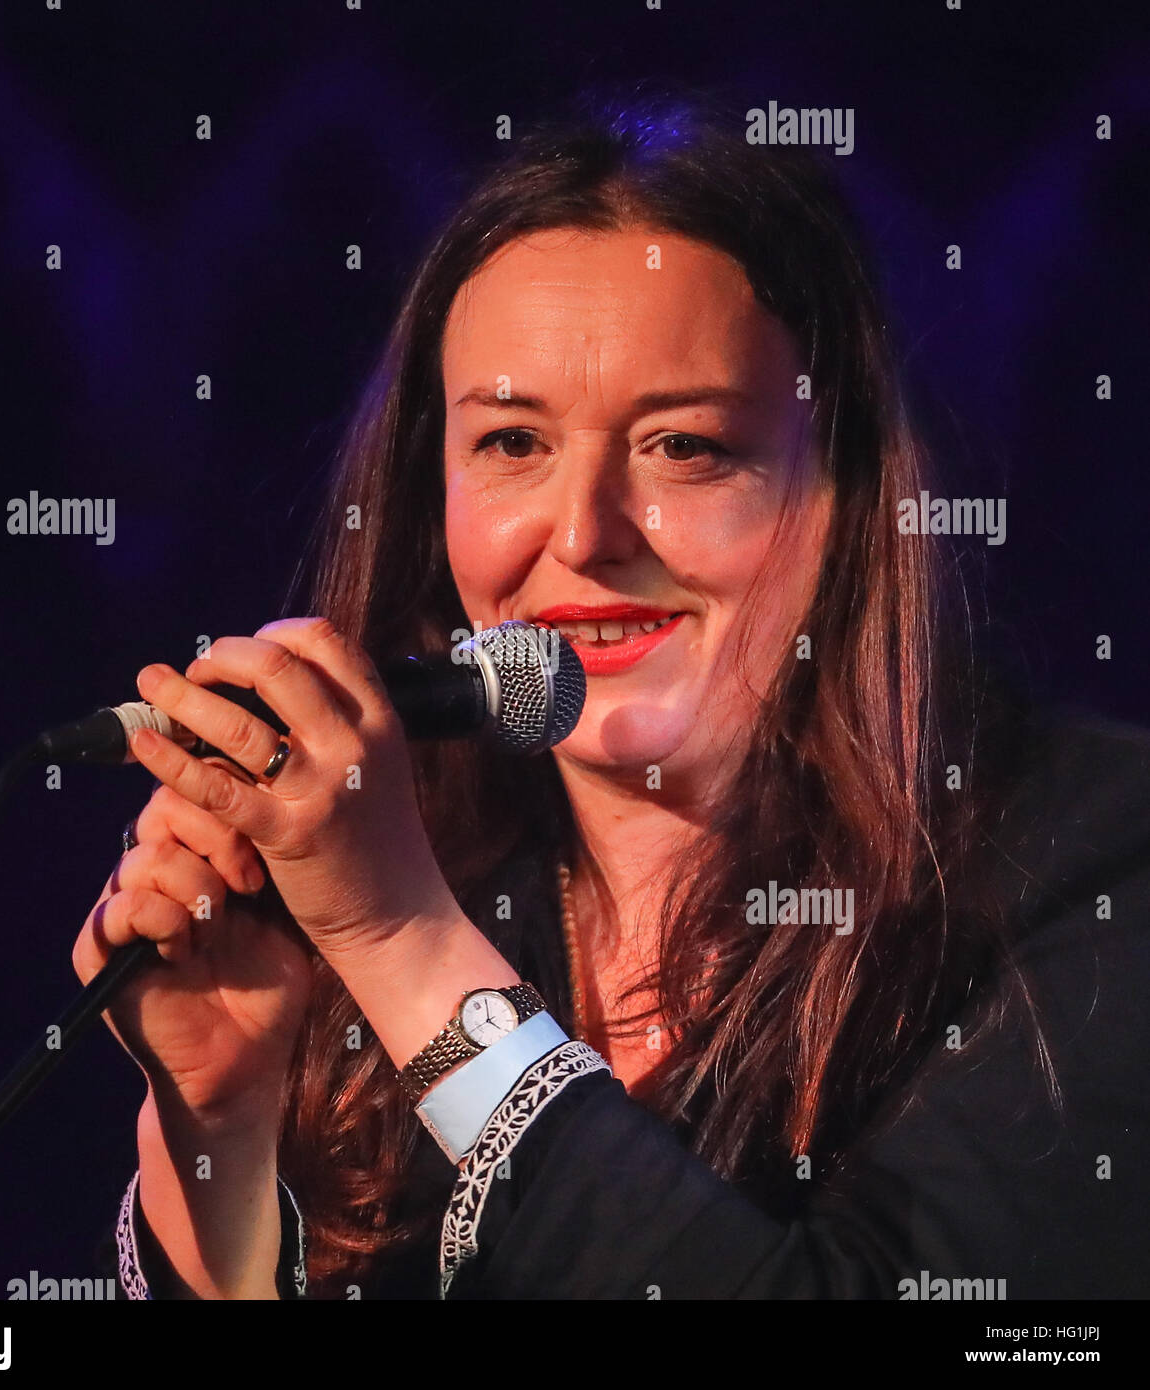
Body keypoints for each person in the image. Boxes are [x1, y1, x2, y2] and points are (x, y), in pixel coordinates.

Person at [76, 89, 1150, 1300]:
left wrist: (402, 945)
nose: (582, 534)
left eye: (684, 446)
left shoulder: (1093, 857)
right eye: (513, 444)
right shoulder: (414, 876)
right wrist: (218, 1128)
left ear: (843, 496)